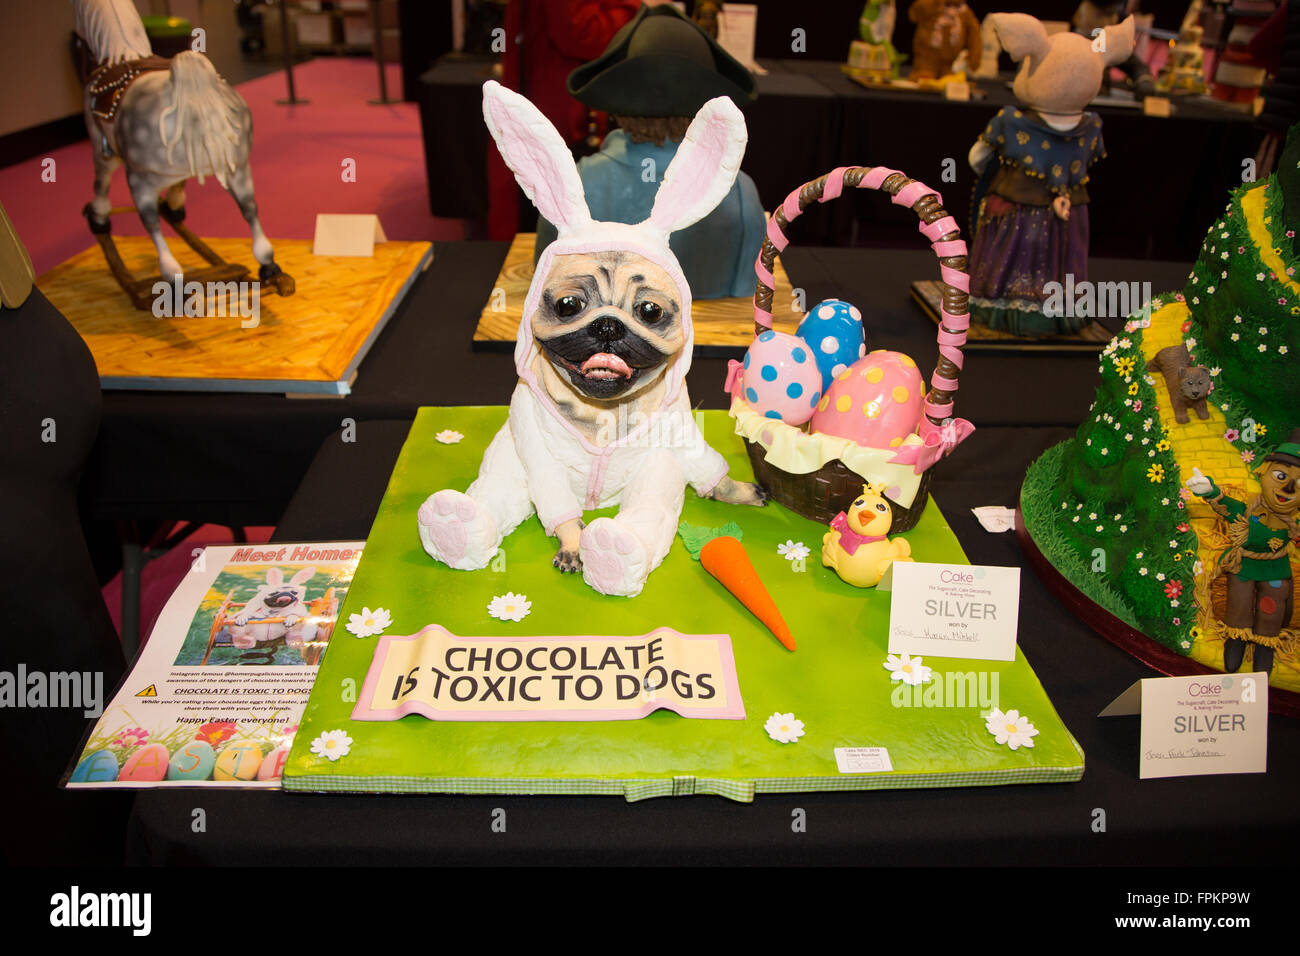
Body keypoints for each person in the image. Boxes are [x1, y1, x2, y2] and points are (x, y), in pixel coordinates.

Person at [534, 4, 766, 300]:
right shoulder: (740, 192)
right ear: (706, 106)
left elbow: (545, 283)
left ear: (617, 102)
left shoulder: (574, 184)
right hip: (713, 346)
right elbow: (747, 299)